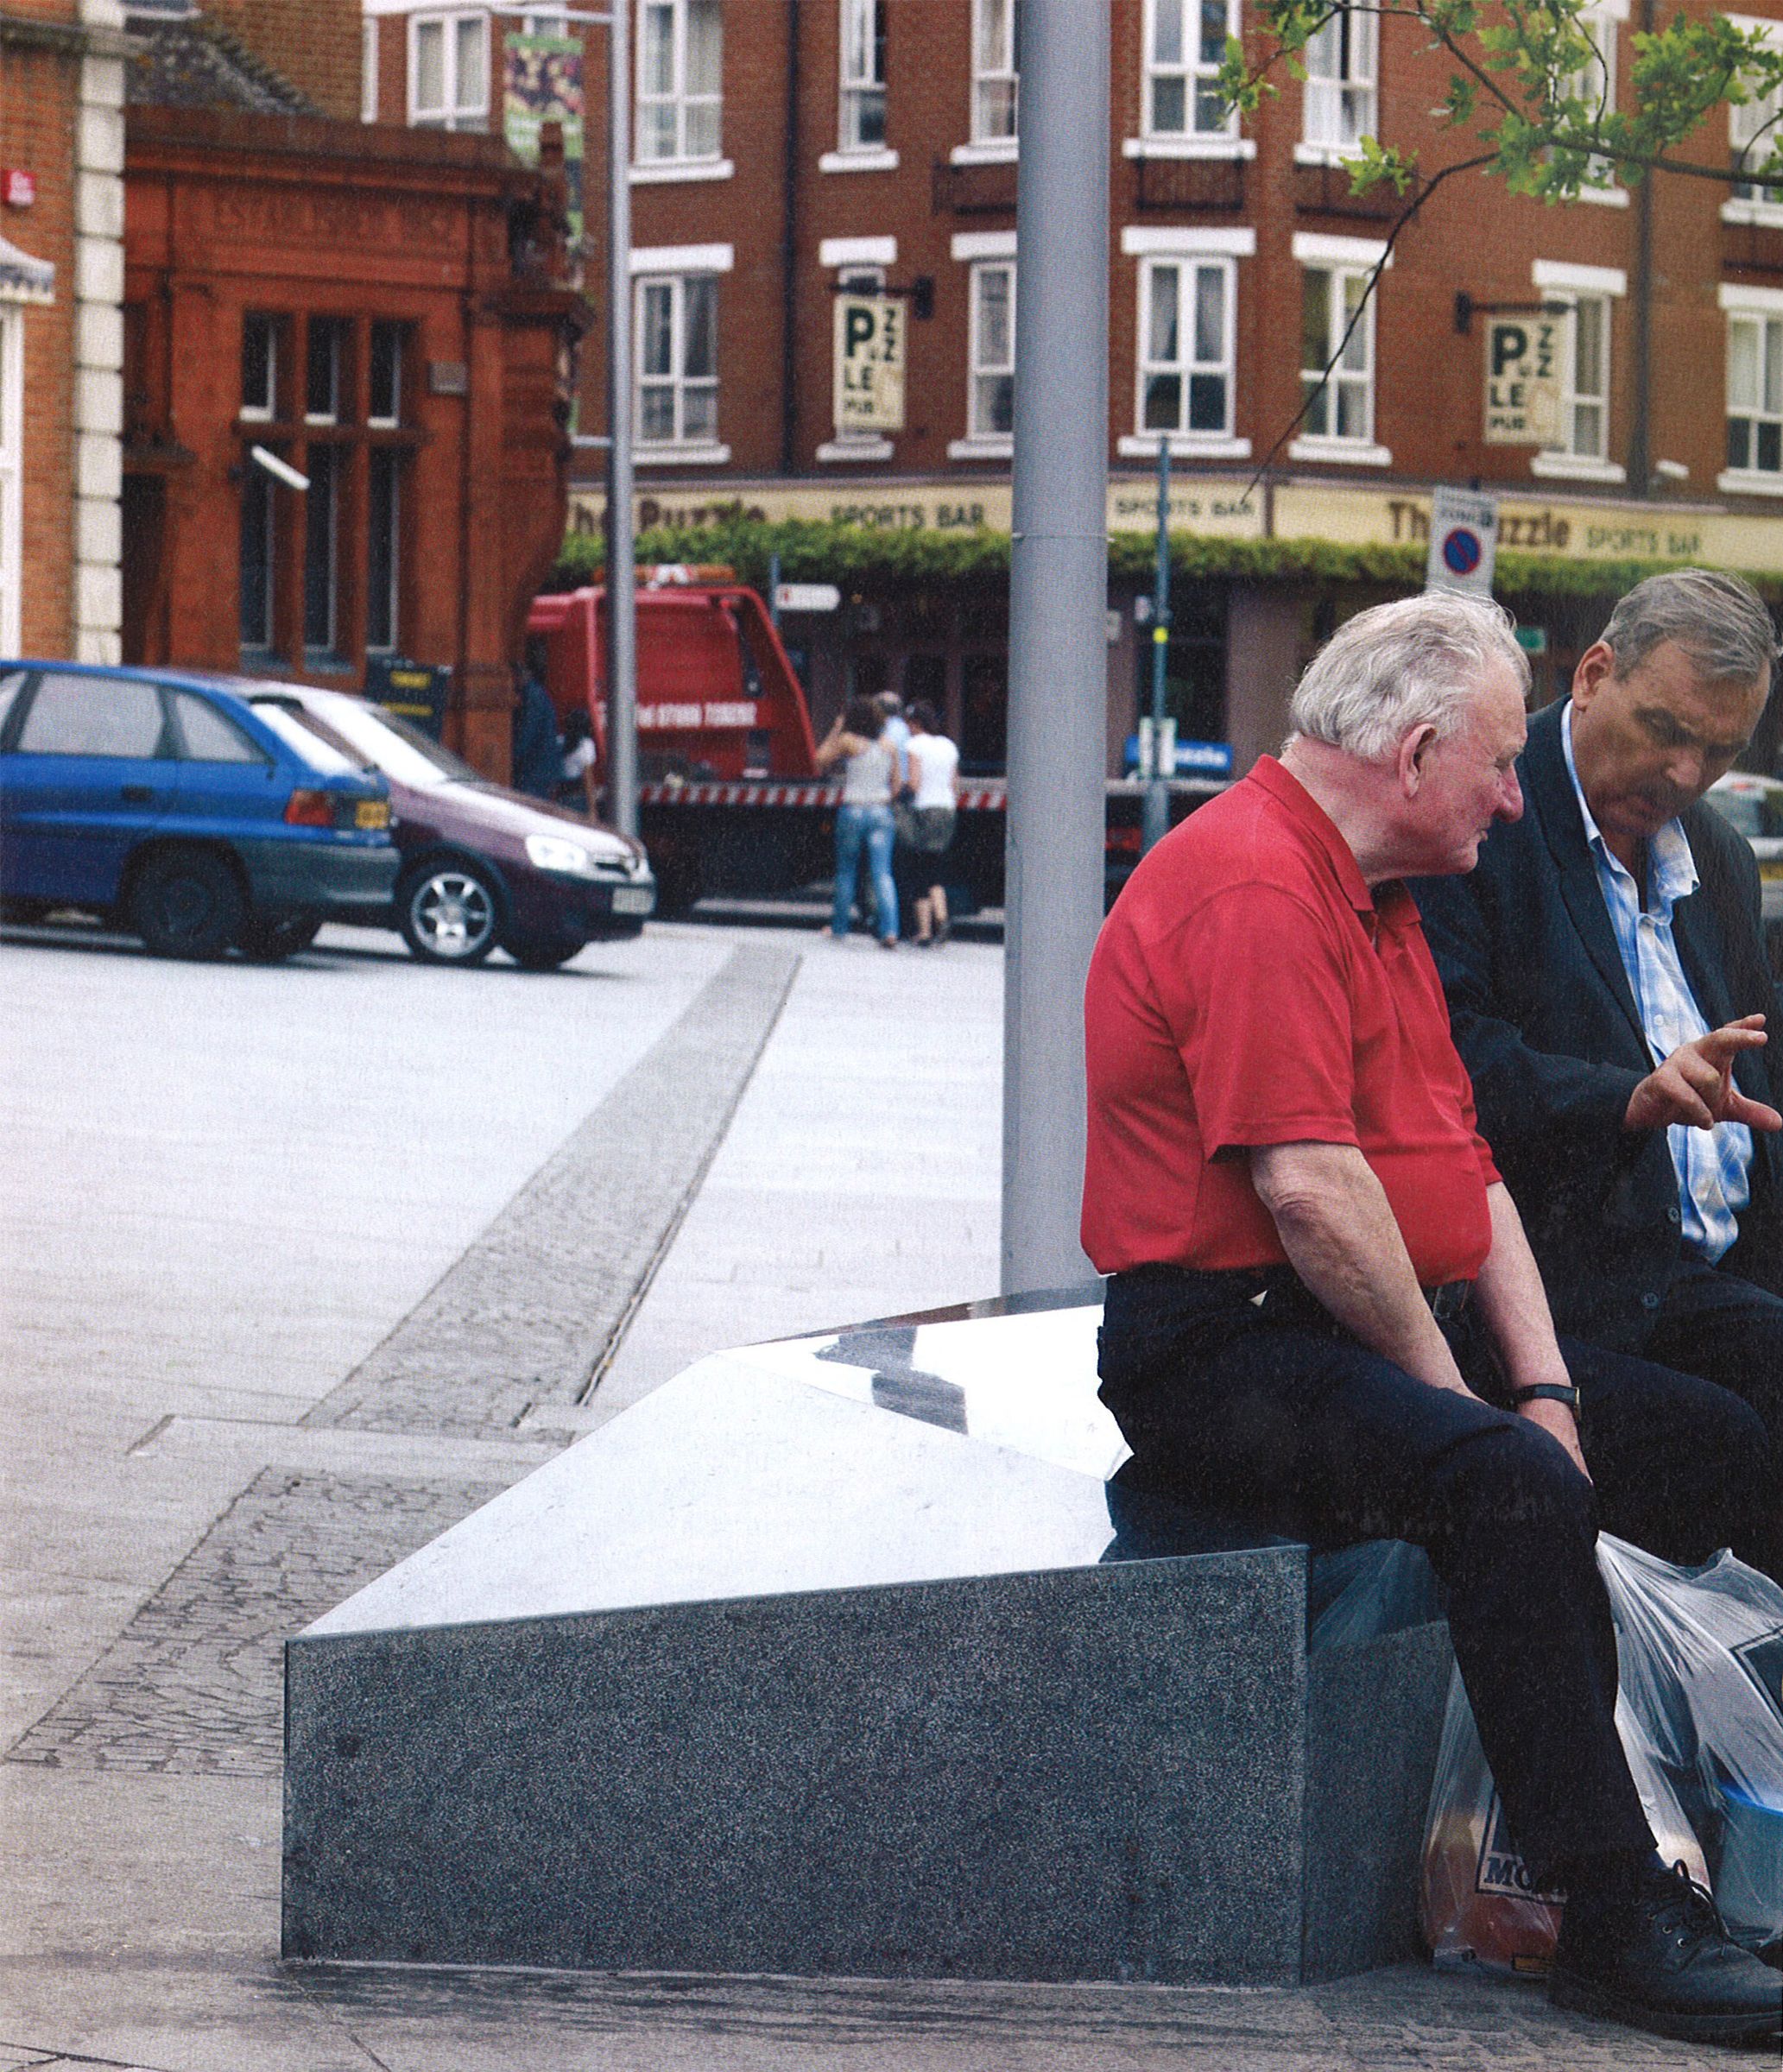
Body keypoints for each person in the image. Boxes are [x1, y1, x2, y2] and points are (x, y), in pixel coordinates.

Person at [1084, 591, 1780, 2046]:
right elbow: (1315, 1192)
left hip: (1350, 1312)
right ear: (1410, 756)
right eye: (1496, 769)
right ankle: (1611, 1916)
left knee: (1704, 1437)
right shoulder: (1261, 885)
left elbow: (1471, 1178)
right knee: (1506, 1495)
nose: (1517, 795)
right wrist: (1475, 1425)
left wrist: (1545, 1392)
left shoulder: (1377, 895)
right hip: (1222, 1345)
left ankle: (1726, 1838)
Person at [1413, 571, 1783, 1582]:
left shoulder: (1714, 849)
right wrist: (1626, 1100)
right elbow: (1446, 1063)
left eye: (1718, 750)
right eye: (1661, 726)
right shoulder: (1490, 807)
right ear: (1591, 674)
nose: (1680, 768)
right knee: (1723, 1434)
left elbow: (1760, 1079)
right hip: (1549, 1294)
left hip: (1701, 1282)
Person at [815, 696, 898, 947]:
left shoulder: (848, 742)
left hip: (853, 810)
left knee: (846, 872)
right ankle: (890, 930)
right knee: (882, 873)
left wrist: (836, 729)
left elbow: (819, 760)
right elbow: (897, 783)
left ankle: (840, 927)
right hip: (881, 811)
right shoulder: (889, 745)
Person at [896, 700, 959, 946]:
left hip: (924, 811)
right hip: (946, 810)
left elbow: (913, 783)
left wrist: (898, 796)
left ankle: (925, 930)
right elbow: (954, 784)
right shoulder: (948, 745)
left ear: (915, 723)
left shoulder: (913, 745)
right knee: (935, 868)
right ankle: (941, 920)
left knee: (919, 871)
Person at [510, 663, 561, 802]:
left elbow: (527, 732)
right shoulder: (538, 693)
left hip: (533, 767)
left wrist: (511, 756)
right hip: (542, 766)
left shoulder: (531, 696)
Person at [558, 708, 598, 817]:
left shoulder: (559, 741)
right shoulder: (586, 745)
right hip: (577, 796)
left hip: (560, 795)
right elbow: (588, 778)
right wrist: (593, 809)